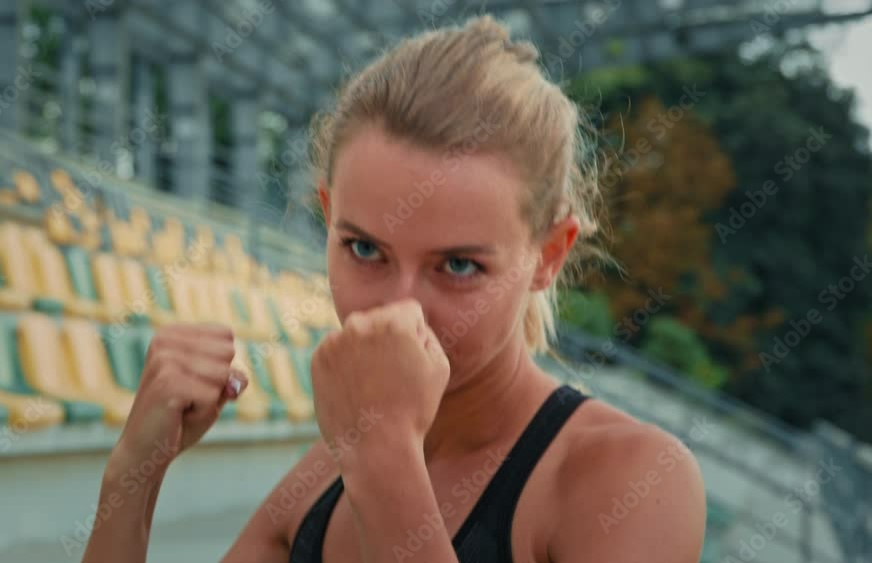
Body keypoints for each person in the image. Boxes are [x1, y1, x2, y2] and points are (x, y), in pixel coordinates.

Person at [81, 14, 706, 563]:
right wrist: (131, 478)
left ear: (548, 256)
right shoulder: (322, 481)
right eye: (364, 249)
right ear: (328, 219)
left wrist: (381, 459)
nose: (400, 310)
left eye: (458, 266)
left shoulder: (630, 479)